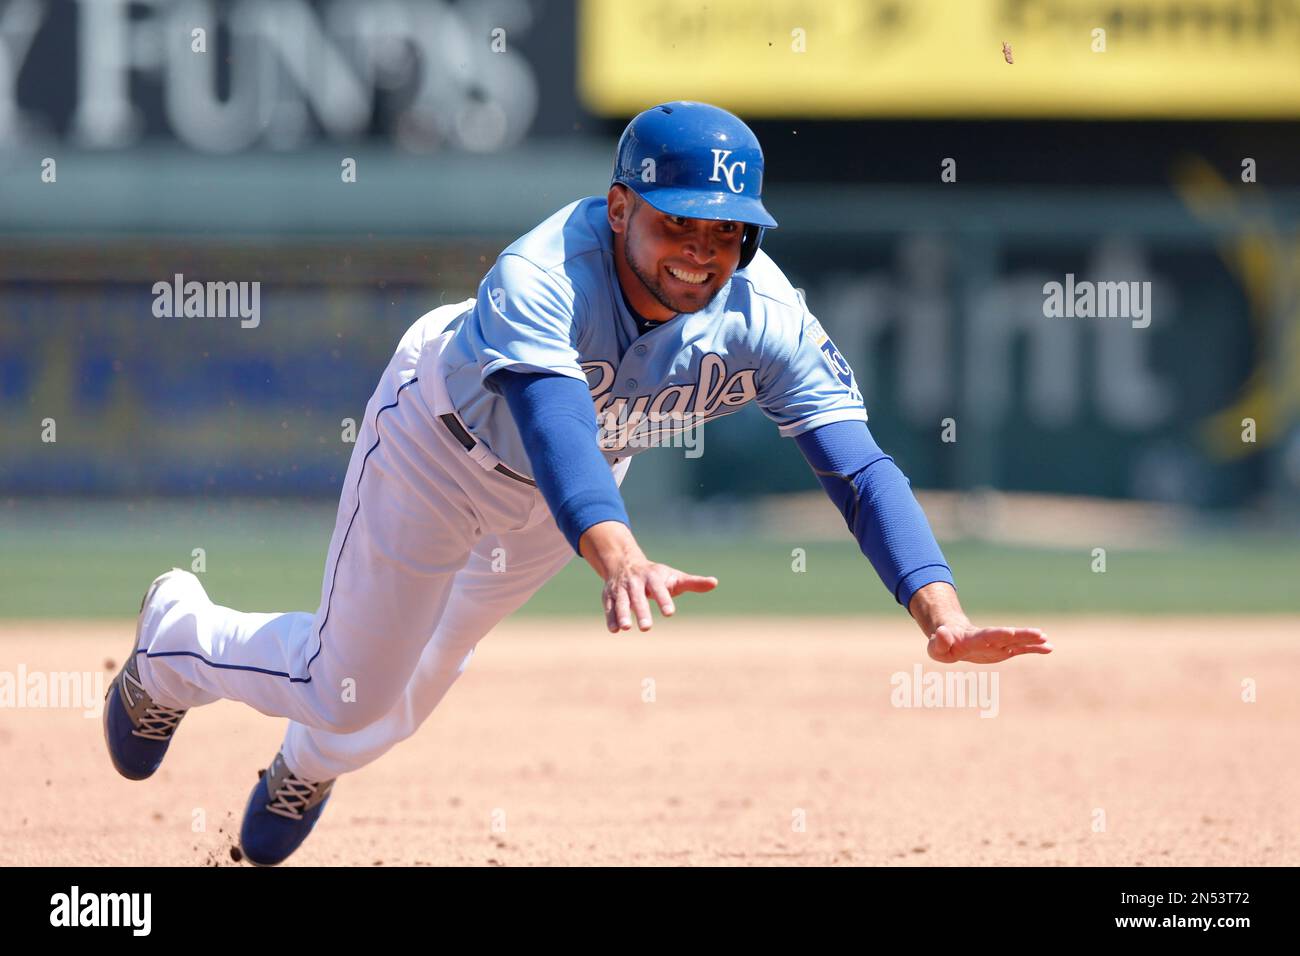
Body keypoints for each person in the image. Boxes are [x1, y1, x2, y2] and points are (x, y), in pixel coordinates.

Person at [103, 101, 1052, 866]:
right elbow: (556, 424)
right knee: (350, 685)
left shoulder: (769, 319)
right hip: (438, 447)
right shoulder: (544, 273)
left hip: (564, 496)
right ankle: (175, 638)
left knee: (413, 690)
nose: (700, 249)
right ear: (619, 208)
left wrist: (941, 613)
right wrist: (617, 546)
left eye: (726, 231)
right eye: (677, 219)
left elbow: (858, 468)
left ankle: (304, 764)